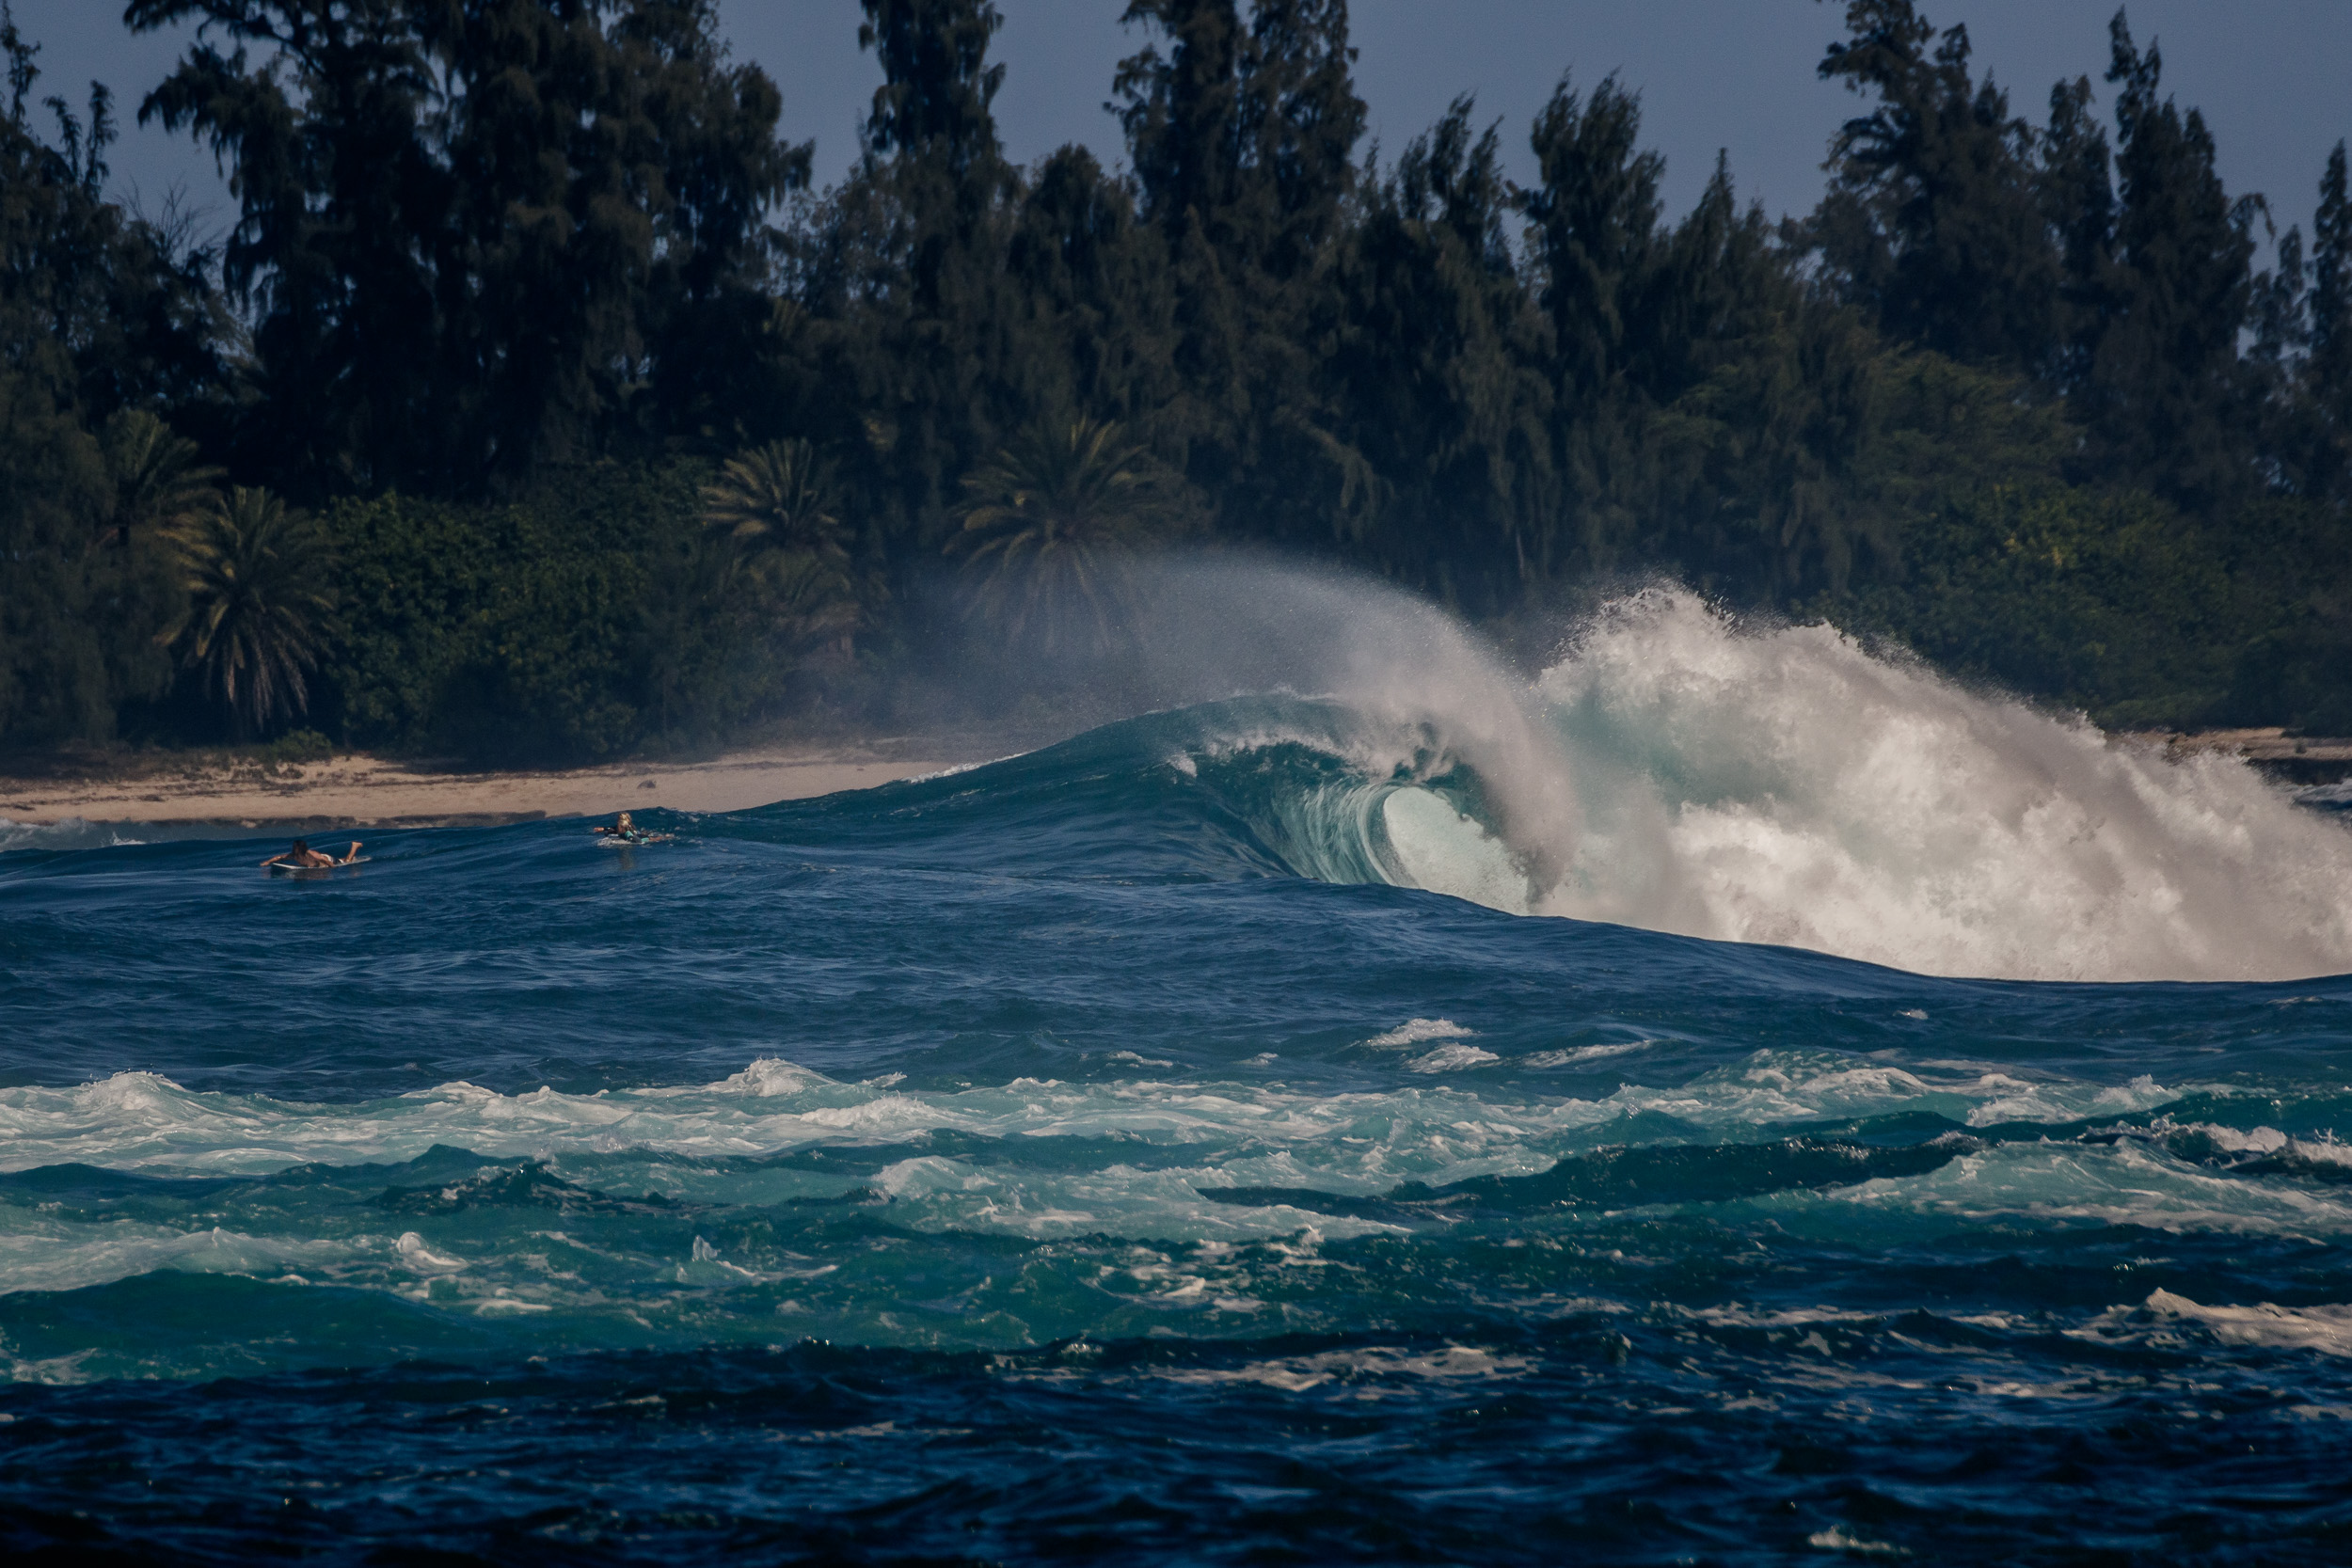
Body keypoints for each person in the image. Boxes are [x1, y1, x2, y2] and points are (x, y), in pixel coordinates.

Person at [261, 837, 361, 868]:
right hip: (319, 863)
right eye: (294, 847)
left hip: (326, 860)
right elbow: (279, 858)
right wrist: (267, 862)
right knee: (342, 860)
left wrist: (332, 867)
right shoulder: (294, 855)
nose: (294, 849)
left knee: (347, 861)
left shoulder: (311, 853)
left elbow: (323, 859)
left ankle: (355, 846)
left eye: (296, 848)